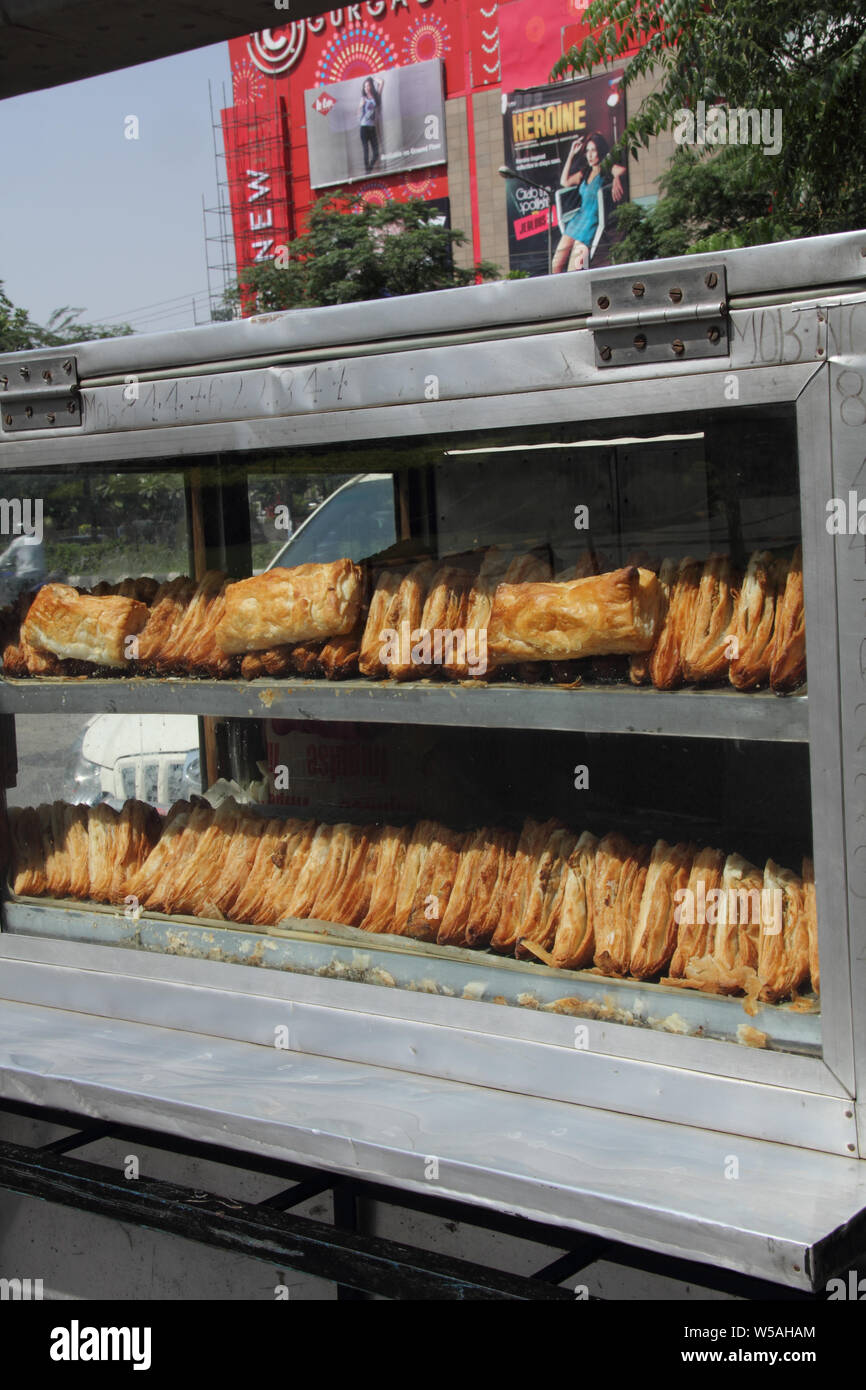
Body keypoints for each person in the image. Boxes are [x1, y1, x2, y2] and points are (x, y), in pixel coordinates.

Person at [552, 132, 626, 274]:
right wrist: (571, 155)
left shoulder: (606, 169)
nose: (590, 155)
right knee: (556, 264)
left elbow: (622, 170)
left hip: (591, 224)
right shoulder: (585, 172)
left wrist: (616, 177)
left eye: (593, 150)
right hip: (577, 221)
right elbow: (564, 181)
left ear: (600, 151)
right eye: (587, 151)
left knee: (574, 269)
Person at [0, 522, 45, 605]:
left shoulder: (18, 541)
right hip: (40, 575)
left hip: (24, 576)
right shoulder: (38, 541)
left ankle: (8, 607)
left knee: (8, 589)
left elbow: (5, 557)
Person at [359, 76, 384, 174]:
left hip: (372, 128)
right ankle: (367, 171)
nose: (366, 88)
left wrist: (372, 78)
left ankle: (369, 168)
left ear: (371, 86)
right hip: (364, 127)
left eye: (368, 85)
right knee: (366, 150)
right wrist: (361, 106)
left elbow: (381, 82)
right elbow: (359, 109)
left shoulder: (376, 96)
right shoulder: (363, 98)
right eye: (365, 86)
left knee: (376, 153)